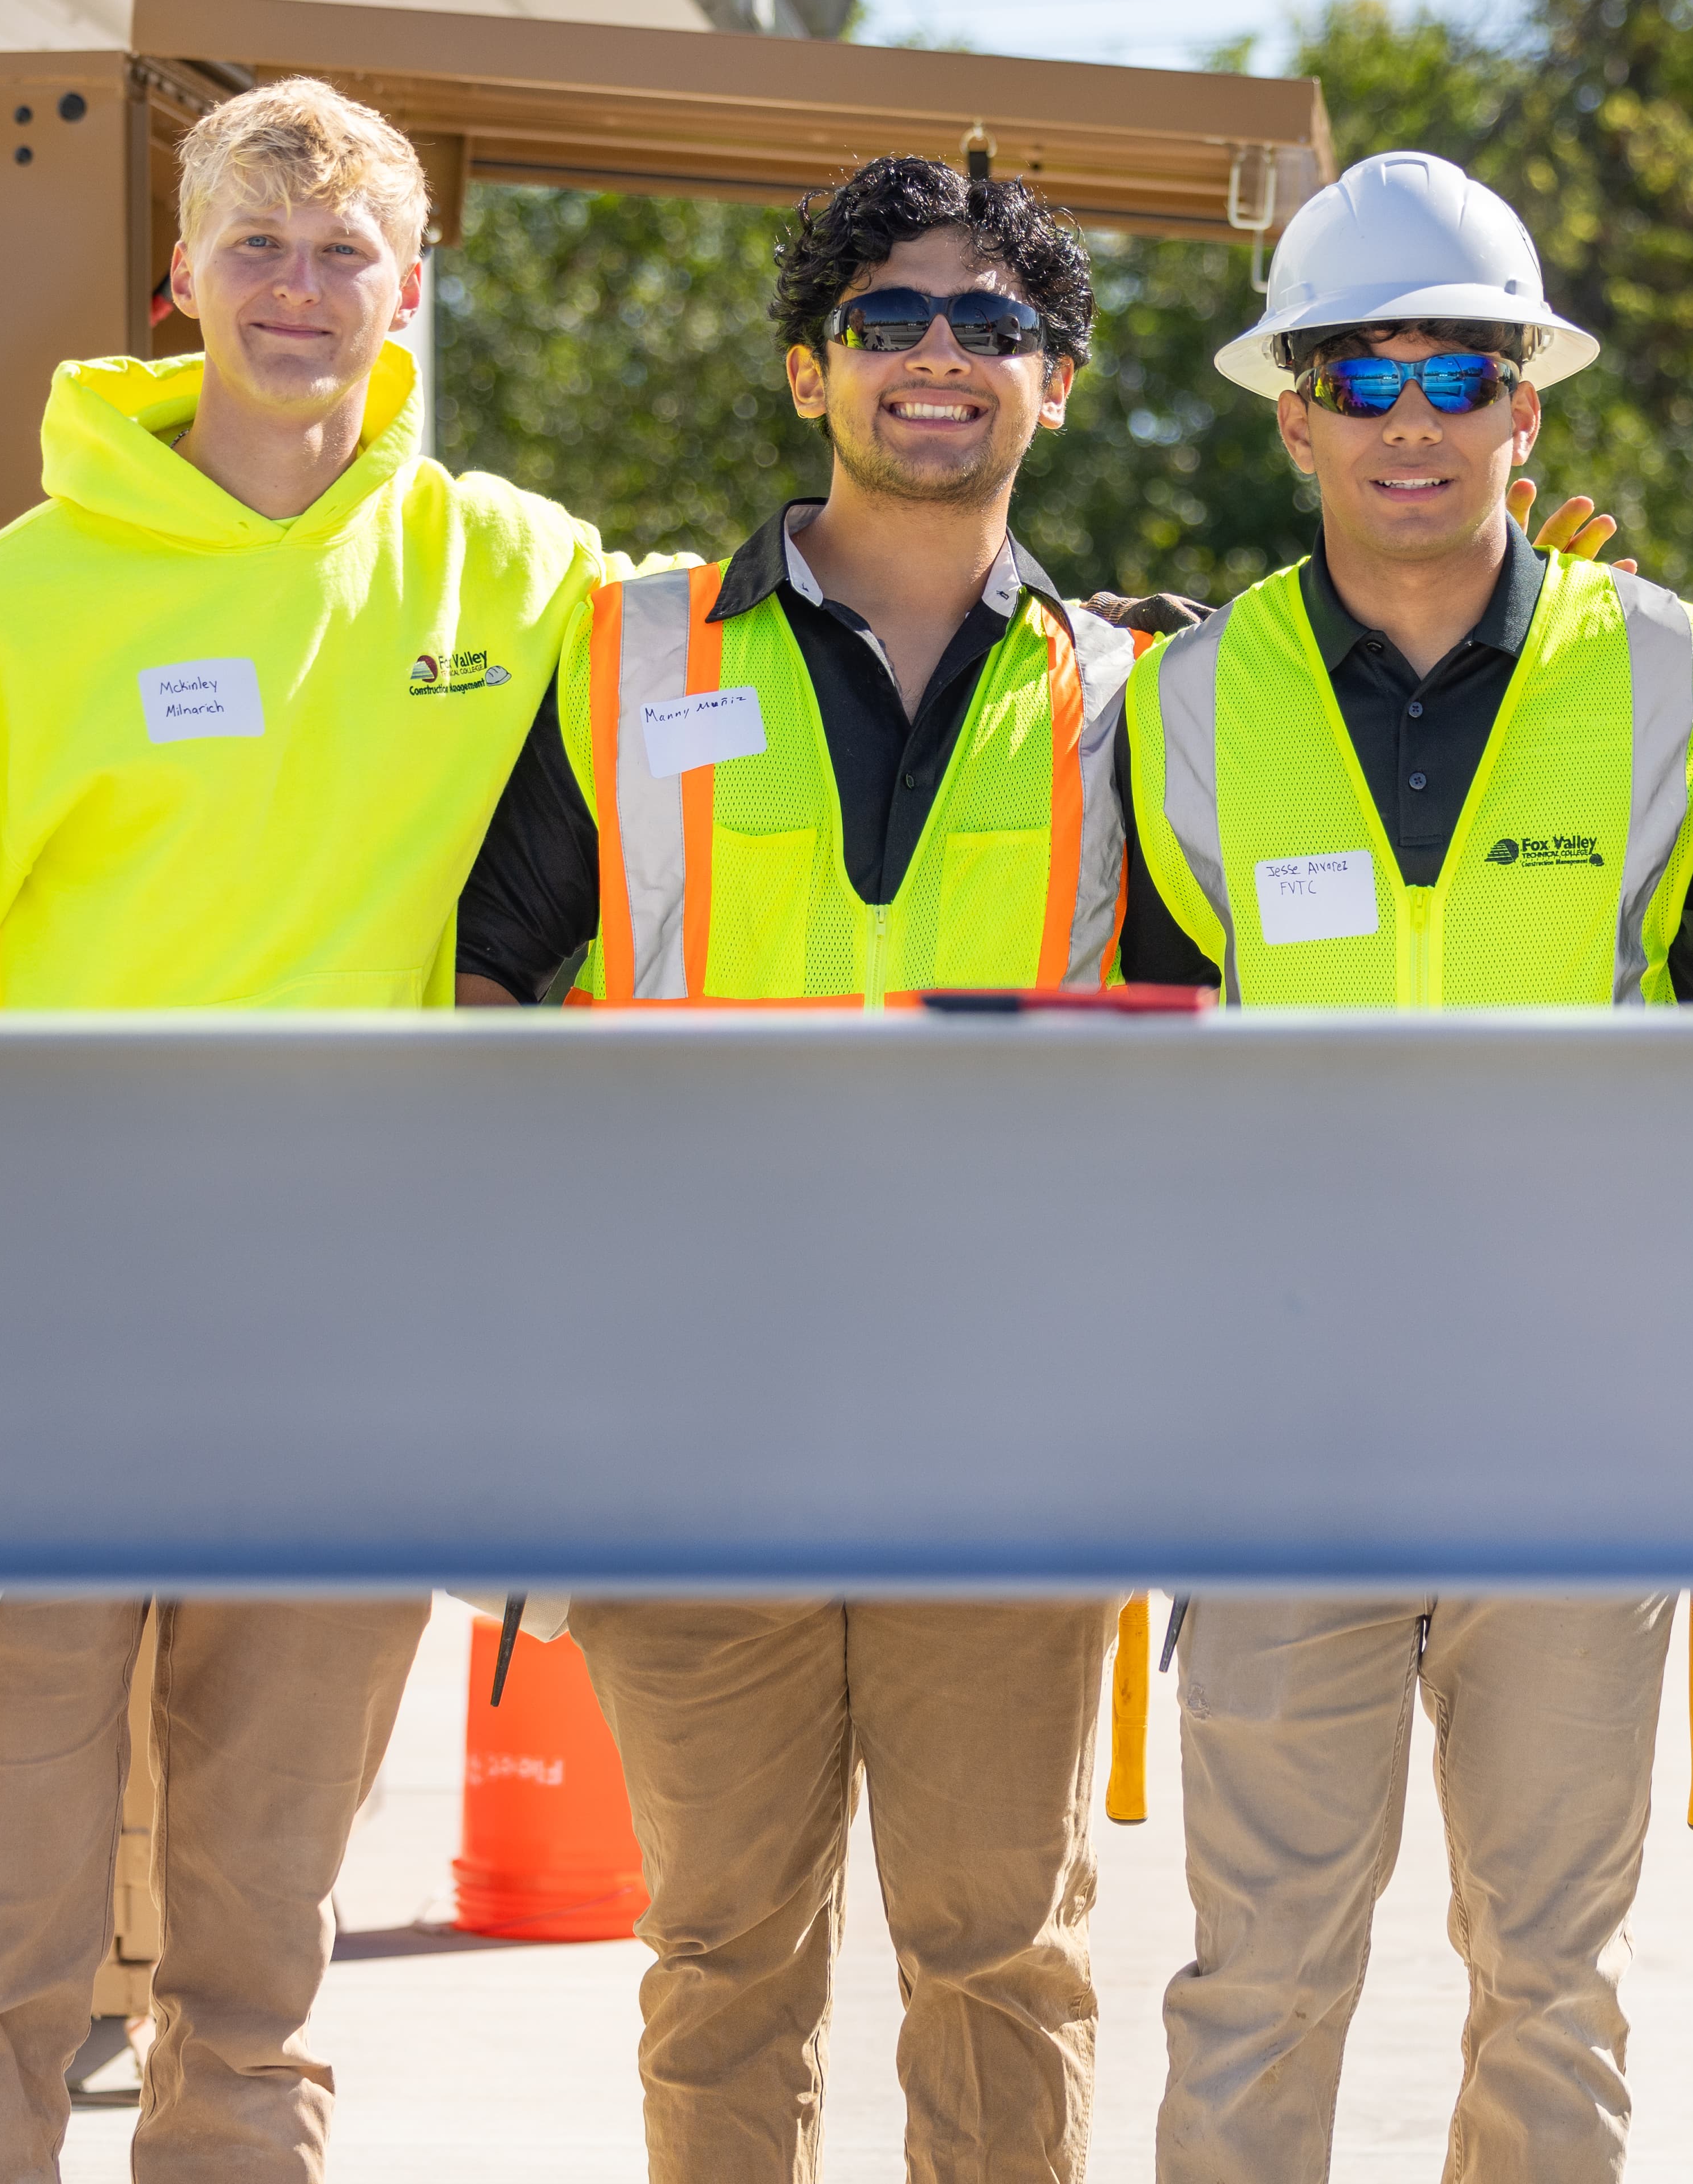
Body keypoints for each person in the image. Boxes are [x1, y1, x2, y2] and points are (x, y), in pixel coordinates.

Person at [0, 76, 608, 2183]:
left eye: (343, 256)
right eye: (258, 248)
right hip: (38, 1368)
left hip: (348, 1376)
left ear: (409, 287)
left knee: (259, 1987)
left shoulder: (525, 577)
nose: (301, 291)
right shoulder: (8, 610)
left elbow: (663, 840)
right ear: (182, 280)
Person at [448, 156, 1140, 2184]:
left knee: (1001, 1955)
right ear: (806, 368)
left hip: (1004, 1446)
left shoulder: (1130, 694)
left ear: (1060, 384)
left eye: (995, 325)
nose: (945, 358)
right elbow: (491, 979)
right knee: (727, 1952)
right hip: (694, 1430)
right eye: (895, 321)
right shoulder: (629, 648)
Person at [1124, 151, 1693, 2184]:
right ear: (1294, 404)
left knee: (1552, 1977)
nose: (1412, 418)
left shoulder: (1675, 671)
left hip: (1568, 1455)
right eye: (1364, 373)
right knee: (1256, 1976)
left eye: (1456, 372)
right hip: (1286, 1443)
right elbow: (1144, 1097)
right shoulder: (1180, 701)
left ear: (1528, 400)